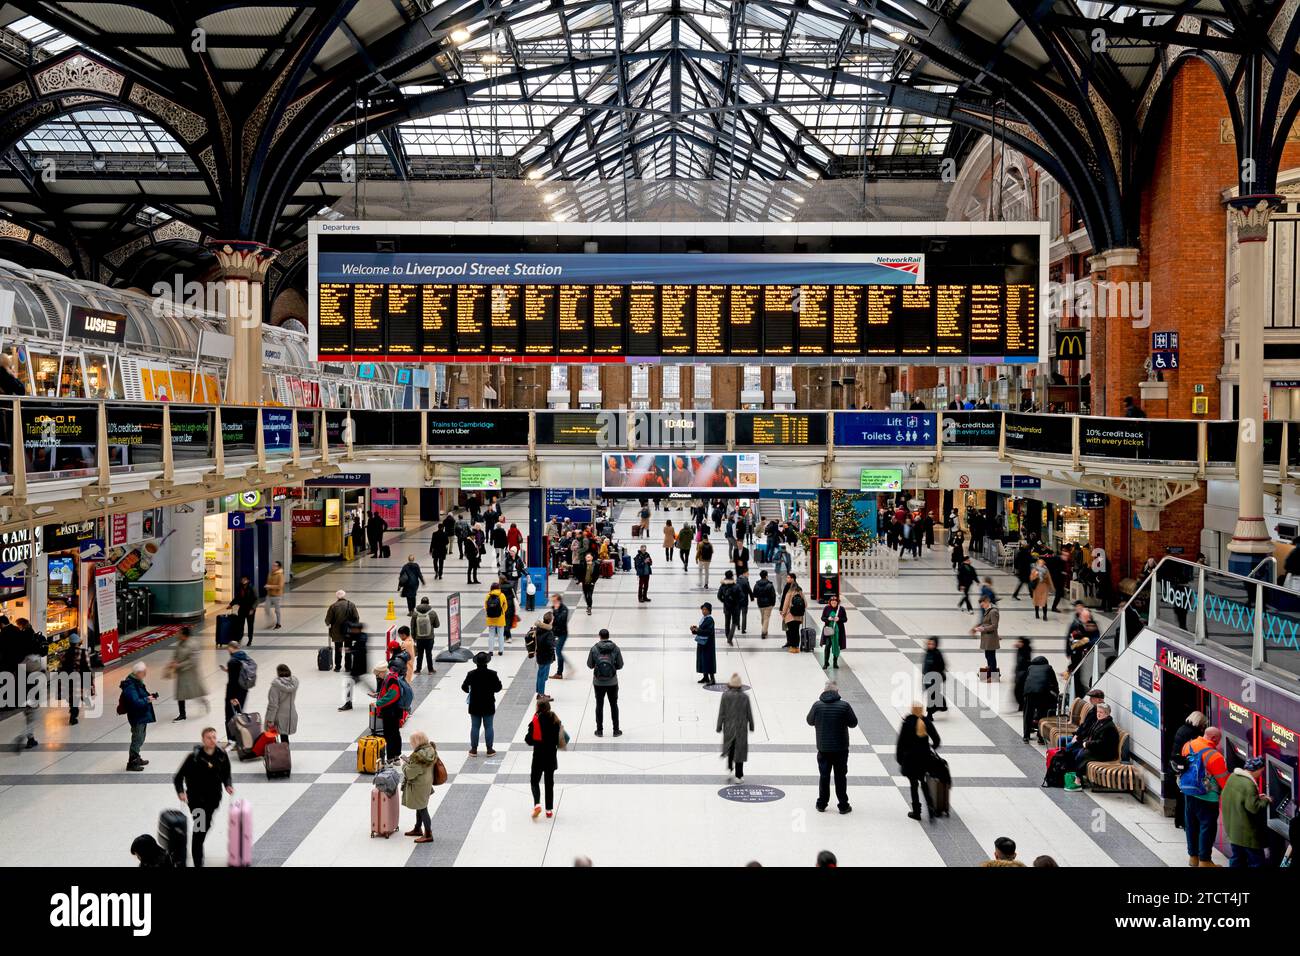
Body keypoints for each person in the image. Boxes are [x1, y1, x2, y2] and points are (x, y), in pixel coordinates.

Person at [172, 726, 233, 866]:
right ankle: (198, 860)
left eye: (214, 737)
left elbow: (226, 773)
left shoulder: (221, 755)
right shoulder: (193, 758)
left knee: (205, 825)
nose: (212, 740)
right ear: (203, 740)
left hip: (213, 799)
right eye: (209, 738)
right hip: (196, 800)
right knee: (199, 830)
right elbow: (178, 777)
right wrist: (181, 791)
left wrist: (228, 784)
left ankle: (197, 849)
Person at [1182, 726, 1231, 867]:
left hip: (1189, 792)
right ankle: (1205, 861)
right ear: (1214, 738)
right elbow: (1225, 782)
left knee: (1191, 825)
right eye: (1218, 740)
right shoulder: (1215, 756)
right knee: (1206, 828)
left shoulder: (1188, 745)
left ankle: (1193, 857)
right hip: (1208, 797)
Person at [807, 680, 858, 814]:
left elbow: (809, 721)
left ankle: (822, 804)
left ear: (824, 691)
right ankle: (843, 805)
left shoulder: (817, 706)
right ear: (837, 692)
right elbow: (853, 723)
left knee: (824, 776)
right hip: (841, 749)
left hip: (823, 748)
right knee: (840, 776)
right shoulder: (844, 706)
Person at [1221, 756, 1272, 867]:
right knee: (1257, 862)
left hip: (1233, 830)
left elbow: (1239, 798)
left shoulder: (1233, 777)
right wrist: (1266, 800)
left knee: (1237, 859)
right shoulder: (1249, 784)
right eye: (1261, 771)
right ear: (1256, 770)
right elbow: (1254, 808)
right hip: (1246, 835)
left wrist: (1256, 797)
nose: (1261, 774)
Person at [896, 704, 941, 821]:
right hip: (924, 758)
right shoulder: (926, 722)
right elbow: (937, 740)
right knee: (924, 782)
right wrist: (931, 747)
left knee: (913, 785)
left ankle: (917, 812)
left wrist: (900, 759)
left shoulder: (907, 723)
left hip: (910, 759)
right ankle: (931, 807)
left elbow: (900, 743)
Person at [525, 699, 564, 819]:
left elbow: (529, 740)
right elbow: (561, 741)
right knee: (549, 783)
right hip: (551, 756)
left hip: (538, 756)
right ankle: (549, 810)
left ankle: (537, 804)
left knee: (534, 781)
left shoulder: (536, 721)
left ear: (538, 708)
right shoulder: (556, 721)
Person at [1171, 711, 1209, 830]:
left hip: (1177, 766)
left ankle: (1179, 820)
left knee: (1180, 794)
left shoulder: (1182, 729)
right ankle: (1185, 822)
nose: (1204, 727)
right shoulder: (1193, 734)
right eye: (1203, 724)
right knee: (1186, 796)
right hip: (1186, 768)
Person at [401, 730, 438, 844]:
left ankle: (428, 834)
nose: (411, 744)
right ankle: (417, 828)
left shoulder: (418, 757)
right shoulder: (430, 750)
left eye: (412, 742)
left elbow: (409, 773)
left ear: (416, 742)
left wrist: (405, 765)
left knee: (422, 808)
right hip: (426, 783)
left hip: (419, 785)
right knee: (420, 805)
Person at [462, 651, 502, 757]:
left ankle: (473, 749)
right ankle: (489, 749)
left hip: (474, 704)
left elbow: (464, 687)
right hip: (488, 703)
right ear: (487, 662)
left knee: (475, 726)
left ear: (476, 663)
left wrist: (470, 690)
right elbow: (498, 688)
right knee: (489, 726)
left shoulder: (471, 674)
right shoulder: (492, 674)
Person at [120, 661, 158, 771]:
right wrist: (147, 699)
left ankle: (136, 757)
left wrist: (149, 696)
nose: (145, 674)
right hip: (137, 716)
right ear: (138, 672)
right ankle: (132, 762)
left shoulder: (137, 681)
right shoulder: (130, 685)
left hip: (141, 715)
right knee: (137, 738)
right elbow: (134, 702)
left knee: (141, 737)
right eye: (144, 672)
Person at [717, 673, 753, 782]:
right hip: (741, 728)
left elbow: (721, 712)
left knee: (730, 747)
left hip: (729, 727)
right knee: (739, 751)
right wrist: (751, 725)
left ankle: (729, 767)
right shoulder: (745, 697)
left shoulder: (725, 696)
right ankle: (739, 775)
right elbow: (749, 713)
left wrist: (719, 726)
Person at [587, 628, 624, 737]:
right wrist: (613, 668)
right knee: (614, 705)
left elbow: (590, 665)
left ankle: (599, 731)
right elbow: (620, 665)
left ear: (599, 636)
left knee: (599, 705)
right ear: (608, 636)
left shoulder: (594, 649)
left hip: (598, 682)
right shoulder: (615, 648)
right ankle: (616, 730)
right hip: (612, 682)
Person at [56, 632, 94, 725]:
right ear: (78, 643)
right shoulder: (84, 652)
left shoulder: (64, 653)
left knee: (71, 697)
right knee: (77, 696)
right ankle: (74, 714)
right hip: (79, 678)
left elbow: (60, 667)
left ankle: (73, 710)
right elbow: (88, 667)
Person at [1020, 654, 1058, 742]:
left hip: (1029, 693)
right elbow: (1054, 683)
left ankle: (1026, 736)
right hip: (1043, 693)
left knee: (1028, 714)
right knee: (1042, 714)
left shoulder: (1030, 668)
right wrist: (1056, 694)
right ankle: (1040, 737)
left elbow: (1025, 681)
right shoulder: (1049, 668)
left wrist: (1024, 695)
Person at [371, 658, 404, 760]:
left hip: (391, 712)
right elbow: (389, 692)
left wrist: (378, 703)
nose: (377, 676)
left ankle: (391, 757)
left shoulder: (391, 679)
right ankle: (396, 755)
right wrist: (377, 695)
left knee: (390, 734)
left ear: (382, 672)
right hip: (394, 711)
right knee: (395, 733)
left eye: (377, 674)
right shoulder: (389, 677)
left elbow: (392, 695)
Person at [339, 622, 372, 711]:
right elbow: (347, 635)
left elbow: (359, 648)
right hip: (356, 665)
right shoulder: (355, 635)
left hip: (360, 665)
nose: (352, 630)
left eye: (354, 629)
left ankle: (376, 695)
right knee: (354, 682)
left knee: (355, 683)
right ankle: (376, 695)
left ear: (358, 629)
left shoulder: (362, 637)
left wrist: (349, 650)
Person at [325, 589, 359, 671]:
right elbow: (356, 618)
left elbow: (327, 621)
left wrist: (331, 624)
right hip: (348, 632)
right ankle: (348, 667)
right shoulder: (351, 605)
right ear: (344, 596)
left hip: (337, 633)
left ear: (337, 597)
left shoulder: (333, 606)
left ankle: (337, 667)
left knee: (338, 650)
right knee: (348, 650)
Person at [264, 664, 298, 744]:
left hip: (278, 716)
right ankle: (285, 754)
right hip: (291, 714)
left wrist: (270, 720)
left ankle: (277, 755)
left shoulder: (275, 687)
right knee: (285, 738)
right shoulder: (293, 684)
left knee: (273, 738)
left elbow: (273, 705)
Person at [221, 642, 254, 724]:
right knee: (240, 712)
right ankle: (241, 732)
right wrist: (227, 670)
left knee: (229, 717)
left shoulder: (232, 662)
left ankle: (231, 735)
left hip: (234, 692)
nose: (228, 650)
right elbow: (240, 673)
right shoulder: (245, 657)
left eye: (228, 648)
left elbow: (232, 681)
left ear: (231, 648)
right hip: (244, 689)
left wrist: (232, 697)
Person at [970, 594, 1000, 679]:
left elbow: (995, 626)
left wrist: (983, 629)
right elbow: (987, 623)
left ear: (987, 602)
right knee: (988, 655)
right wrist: (979, 627)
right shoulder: (988, 610)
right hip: (987, 637)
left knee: (991, 656)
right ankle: (990, 671)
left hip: (990, 638)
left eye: (983, 605)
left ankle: (993, 675)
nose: (982, 607)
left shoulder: (993, 611)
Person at [410, 596, 439, 675]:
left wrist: (414, 637)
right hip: (429, 637)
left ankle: (418, 670)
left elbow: (412, 626)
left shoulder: (415, 613)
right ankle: (430, 670)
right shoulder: (433, 613)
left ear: (420, 603)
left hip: (419, 638)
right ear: (428, 603)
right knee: (429, 654)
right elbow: (437, 625)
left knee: (420, 654)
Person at [227, 575, 258, 646]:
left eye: (244, 579)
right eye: (242, 579)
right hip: (242, 609)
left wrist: (252, 609)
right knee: (240, 624)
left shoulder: (252, 588)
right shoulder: (240, 587)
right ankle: (239, 638)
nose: (243, 580)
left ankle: (250, 640)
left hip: (250, 609)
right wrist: (231, 604)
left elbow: (256, 599)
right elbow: (237, 597)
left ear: (248, 580)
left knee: (250, 625)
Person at [692, 602, 717, 686]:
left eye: (705, 609)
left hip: (708, 644)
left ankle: (712, 679)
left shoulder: (710, 619)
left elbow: (708, 632)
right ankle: (705, 677)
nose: (703, 611)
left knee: (708, 660)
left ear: (709, 611)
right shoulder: (704, 618)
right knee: (703, 659)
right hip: (702, 643)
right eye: (703, 609)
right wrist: (695, 630)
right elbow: (701, 630)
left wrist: (698, 630)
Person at [820, 593, 847, 669]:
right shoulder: (826, 608)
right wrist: (828, 619)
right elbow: (822, 618)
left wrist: (839, 619)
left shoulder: (841, 609)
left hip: (838, 631)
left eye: (835, 602)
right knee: (827, 646)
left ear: (837, 602)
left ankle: (835, 662)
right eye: (832, 602)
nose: (833, 604)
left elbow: (845, 619)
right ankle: (826, 663)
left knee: (836, 646)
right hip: (829, 630)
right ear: (830, 602)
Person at [533, 610, 556, 702]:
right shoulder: (548, 632)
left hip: (540, 655)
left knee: (540, 674)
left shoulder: (539, 629)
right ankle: (541, 695)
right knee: (543, 676)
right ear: (550, 621)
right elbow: (550, 644)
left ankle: (539, 693)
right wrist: (555, 642)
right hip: (546, 657)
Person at [781, 574, 806, 654]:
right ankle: (797, 647)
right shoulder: (800, 591)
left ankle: (792, 647)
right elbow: (805, 604)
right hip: (799, 616)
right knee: (796, 631)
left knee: (791, 631)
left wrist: (783, 613)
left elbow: (785, 604)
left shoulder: (789, 592)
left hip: (790, 615)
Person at [922, 637, 947, 716]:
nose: (930, 645)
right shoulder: (927, 653)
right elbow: (925, 666)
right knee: (934, 694)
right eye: (929, 644)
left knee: (931, 696)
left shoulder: (937, 654)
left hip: (935, 678)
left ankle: (929, 714)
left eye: (932, 644)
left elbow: (942, 666)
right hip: (928, 678)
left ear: (936, 645)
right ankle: (942, 706)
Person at [717, 571, 744, 645]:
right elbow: (742, 597)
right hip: (735, 607)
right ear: (732, 576)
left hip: (726, 607)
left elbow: (719, 596)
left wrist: (724, 601)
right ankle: (730, 638)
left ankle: (727, 636)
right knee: (734, 623)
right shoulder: (736, 586)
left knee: (727, 622)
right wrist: (738, 602)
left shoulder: (723, 586)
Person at [549, 593, 570, 680]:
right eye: (552, 601)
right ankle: (564, 668)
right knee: (558, 652)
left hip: (562, 634)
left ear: (559, 601)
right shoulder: (554, 608)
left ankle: (559, 673)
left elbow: (561, 620)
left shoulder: (564, 609)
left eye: (554, 601)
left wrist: (556, 611)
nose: (553, 603)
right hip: (555, 633)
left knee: (558, 651)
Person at [484, 582, 507, 656]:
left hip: (490, 618)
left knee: (491, 635)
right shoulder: (502, 595)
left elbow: (486, 607)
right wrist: (502, 612)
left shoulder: (488, 596)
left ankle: (490, 651)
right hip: (500, 618)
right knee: (501, 635)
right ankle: (500, 651)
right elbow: (505, 606)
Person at [754, 569, 777, 639]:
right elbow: (773, 595)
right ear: (766, 576)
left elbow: (754, 594)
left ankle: (765, 630)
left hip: (760, 604)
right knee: (766, 618)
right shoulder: (770, 585)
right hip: (768, 604)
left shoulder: (757, 584)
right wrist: (773, 603)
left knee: (763, 617)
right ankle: (764, 632)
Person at [264, 561, 285, 630]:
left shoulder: (280, 575)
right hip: (269, 595)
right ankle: (272, 621)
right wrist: (267, 587)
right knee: (266, 609)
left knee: (277, 610)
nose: (273, 567)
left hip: (277, 595)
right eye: (273, 565)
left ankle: (278, 623)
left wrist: (270, 586)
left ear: (278, 567)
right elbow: (268, 582)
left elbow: (280, 586)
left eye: (275, 565)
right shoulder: (270, 573)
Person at [1013, 637, 1032, 711]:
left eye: (1020, 642)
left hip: (1023, 674)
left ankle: (1022, 705)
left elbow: (1025, 663)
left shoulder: (1026, 650)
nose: (1018, 643)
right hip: (1019, 673)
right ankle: (1022, 705)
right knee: (1017, 691)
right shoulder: (1020, 650)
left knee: (1019, 691)